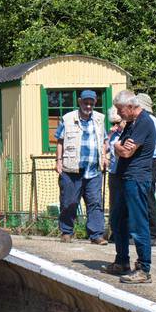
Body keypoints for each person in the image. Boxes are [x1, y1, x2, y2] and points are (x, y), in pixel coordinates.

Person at [102, 90, 156, 284]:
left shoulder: (144, 122)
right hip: (125, 177)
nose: (118, 114)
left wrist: (117, 145)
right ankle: (122, 261)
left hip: (137, 178)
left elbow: (124, 152)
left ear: (131, 106)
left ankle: (144, 269)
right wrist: (119, 145)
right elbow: (121, 147)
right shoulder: (131, 124)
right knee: (117, 220)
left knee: (138, 224)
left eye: (120, 109)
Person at [54, 90, 108, 243]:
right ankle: (66, 231)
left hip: (93, 169)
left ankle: (96, 235)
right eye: (86, 103)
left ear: (95, 103)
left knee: (95, 202)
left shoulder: (99, 119)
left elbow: (104, 140)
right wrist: (58, 161)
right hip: (71, 168)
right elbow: (60, 140)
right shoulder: (68, 118)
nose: (88, 106)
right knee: (69, 201)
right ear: (80, 102)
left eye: (91, 103)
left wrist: (104, 158)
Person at [136, 92, 156, 240]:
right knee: (143, 198)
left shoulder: (148, 120)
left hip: (149, 161)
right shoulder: (149, 120)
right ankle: (147, 233)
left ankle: (151, 234)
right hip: (150, 162)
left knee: (148, 198)